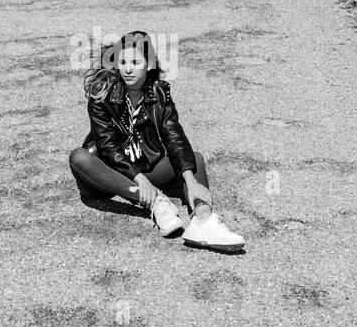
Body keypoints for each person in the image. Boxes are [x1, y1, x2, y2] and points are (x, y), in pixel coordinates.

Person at [68, 30, 245, 252]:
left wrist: (191, 182)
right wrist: (141, 181)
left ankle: (204, 220)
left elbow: (174, 135)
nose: (128, 68)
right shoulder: (101, 94)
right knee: (79, 156)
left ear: (149, 63)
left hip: (144, 170)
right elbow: (107, 146)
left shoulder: (159, 93)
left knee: (194, 160)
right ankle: (155, 203)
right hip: (105, 176)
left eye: (135, 61)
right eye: (122, 62)